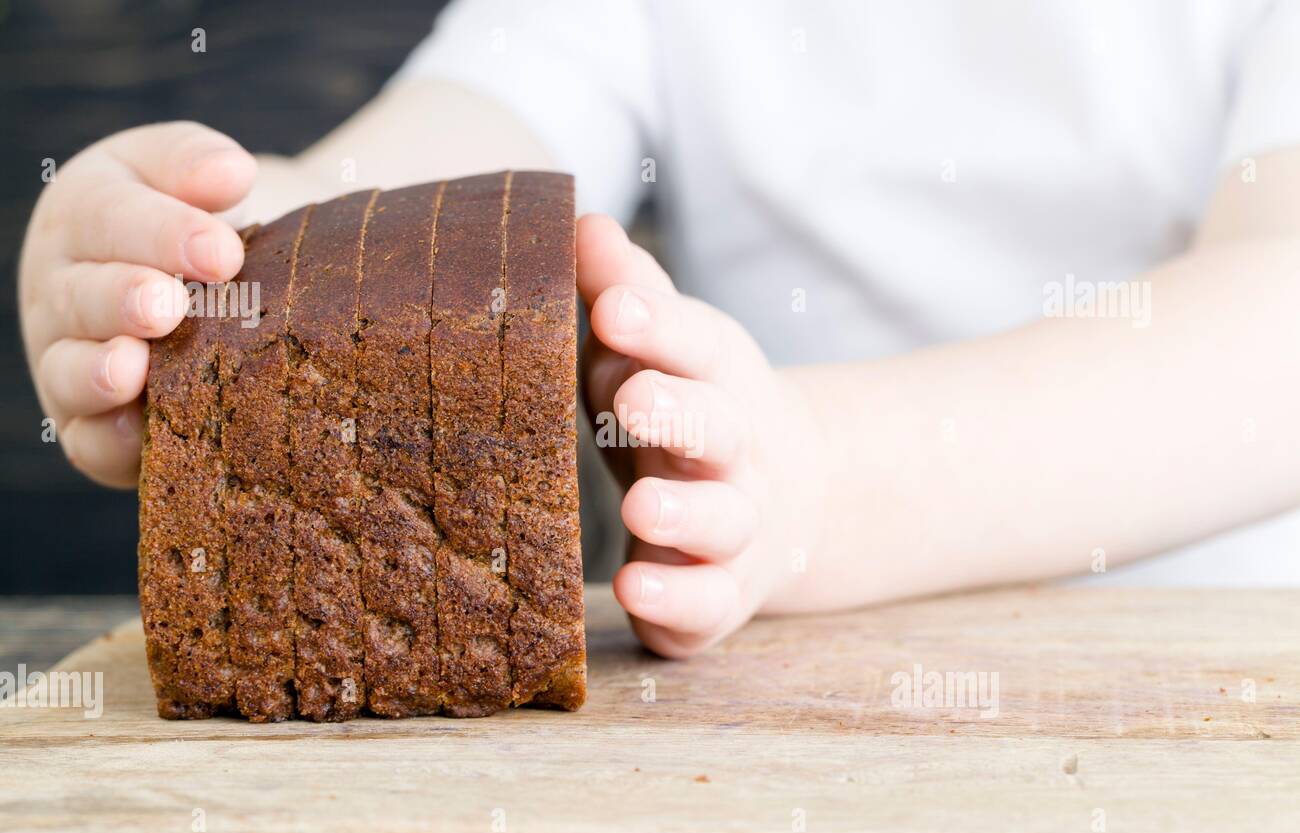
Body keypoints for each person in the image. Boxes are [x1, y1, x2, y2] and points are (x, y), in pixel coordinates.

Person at [19, 0, 1300, 658]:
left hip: (1218, 691)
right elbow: (460, 167)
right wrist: (218, 245)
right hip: (773, 676)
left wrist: (820, 478)